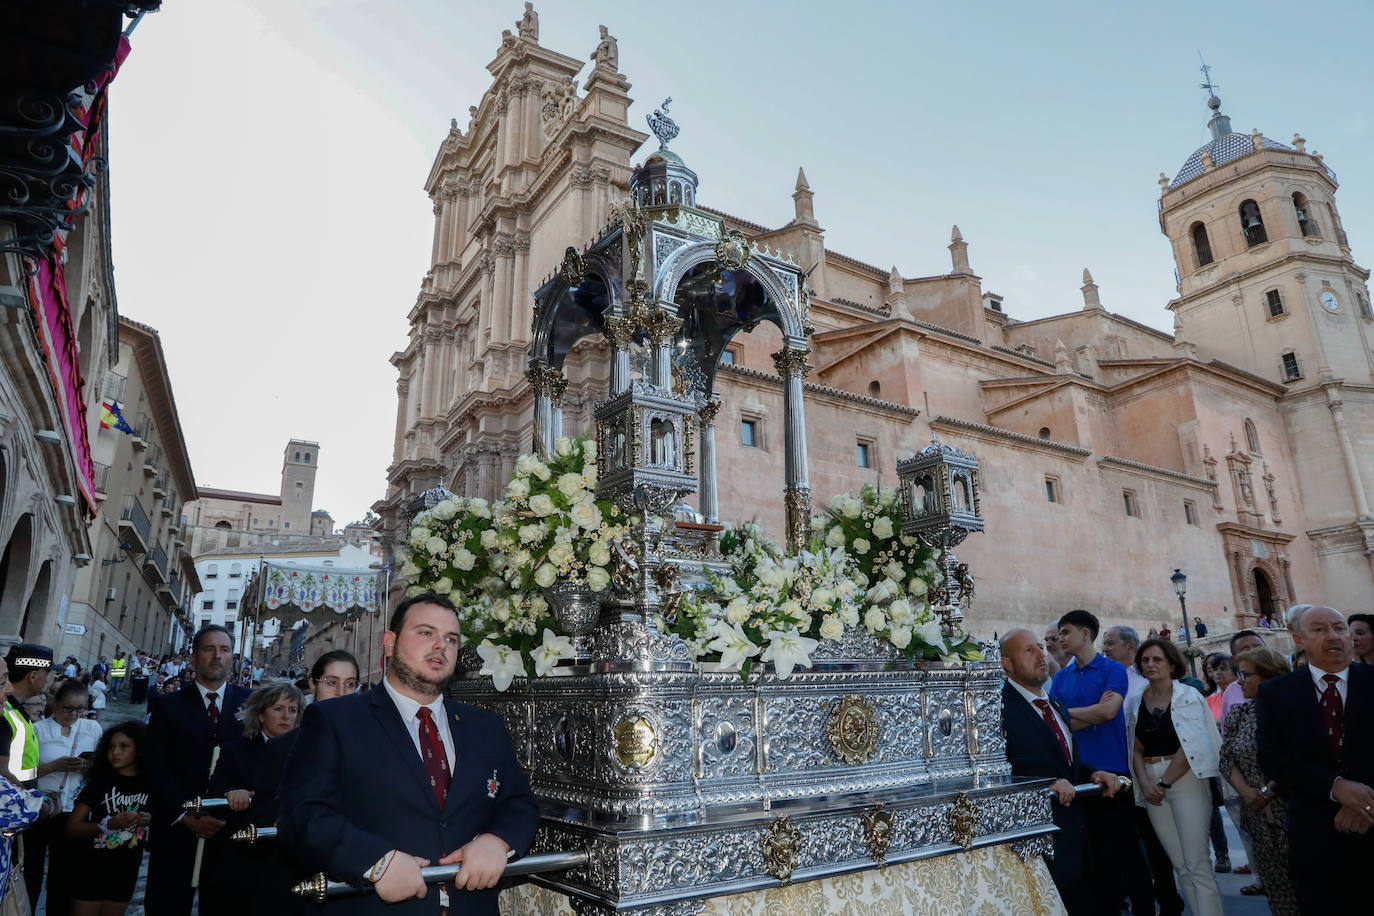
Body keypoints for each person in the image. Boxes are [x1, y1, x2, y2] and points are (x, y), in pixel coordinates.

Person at [280, 592, 540, 914]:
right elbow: (301, 815)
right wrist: (375, 862)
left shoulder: (485, 726)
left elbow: (518, 803)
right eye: (426, 633)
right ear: (389, 643)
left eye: (451, 639)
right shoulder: (335, 720)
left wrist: (497, 841)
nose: (441, 646)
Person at [1257, 606, 1374, 912]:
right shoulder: (1276, 693)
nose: (1333, 636)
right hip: (1315, 837)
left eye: (1339, 627)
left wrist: (1363, 801)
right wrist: (1335, 787)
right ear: (1299, 639)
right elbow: (1273, 758)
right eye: (1319, 629)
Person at [1050, 610, 1165, 916]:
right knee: (1093, 852)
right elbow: (1056, 721)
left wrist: (1068, 715)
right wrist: (1086, 714)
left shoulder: (1112, 669)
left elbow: (1108, 712)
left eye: (1066, 632)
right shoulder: (1060, 677)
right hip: (1078, 773)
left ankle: (1144, 909)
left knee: (1126, 849)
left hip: (1113, 773)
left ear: (1085, 634)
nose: (1061, 638)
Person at [999, 628, 1118, 914]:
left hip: (1077, 838)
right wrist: (1046, 783)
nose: (1041, 654)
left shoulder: (1055, 705)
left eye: (1040, 647)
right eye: (1028, 650)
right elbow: (1000, 770)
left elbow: (1064, 763)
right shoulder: (998, 710)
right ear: (1007, 663)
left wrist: (1092, 773)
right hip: (1038, 849)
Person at [144, 625, 252, 916]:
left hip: (230, 833)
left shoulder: (252, 703)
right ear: (194, 657)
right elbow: (155, 767)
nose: (217, 656)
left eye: (225, 650)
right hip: (177, 832)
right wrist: (186, 816)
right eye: (209, 649)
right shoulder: (167, 706)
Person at [1126, 638, 1224, 916]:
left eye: (1157, 659)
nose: (1150, 664)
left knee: (1197, 864)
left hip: (1185, 778)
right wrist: (1145, 783)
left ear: (1171, 665)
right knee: (1181, 866)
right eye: (1145, 660)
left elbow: (1191, 744)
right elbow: (1135, 747)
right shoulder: (1136, 701)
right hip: (1150, 780)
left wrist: (1163, 783)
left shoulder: (1188, 696)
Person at [204, 682, 303, 910]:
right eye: (278, 709)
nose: (286, 716)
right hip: (241, 859)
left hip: (288, 862)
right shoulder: (235, 750)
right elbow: (214, 793)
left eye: (293, 710)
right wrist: (231, 793)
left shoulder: (309, 754)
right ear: (260, 714)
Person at [1220, 647, 1298, 911]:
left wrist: (1267, 791)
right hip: (1256, 816)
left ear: (1270, 676)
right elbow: (1226, 758)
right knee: (1277, 891)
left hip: (1292, 810)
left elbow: (1298, 756)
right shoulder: (1239, 714)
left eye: (1246, 675)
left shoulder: (1295, 710)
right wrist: (1246, 792)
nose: (1239, 682)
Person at [28, 679, 101, 913]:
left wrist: (89, 767)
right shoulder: (37, 730)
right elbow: (21, 773)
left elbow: (101, 768)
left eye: (80, 709)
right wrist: (53, 766)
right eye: (68, 708)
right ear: (55, 704)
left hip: (74, 810)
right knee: (32, 870)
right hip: (42, 807)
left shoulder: (92, 729)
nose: (73, 714)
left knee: (63, 874)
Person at [66, 721, 153, 916]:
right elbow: (72, 828)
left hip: (127, 867)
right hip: (91, 865)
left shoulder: (150, 783)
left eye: (124, 746)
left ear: (140, 749)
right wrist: (108, 825)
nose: (115, 752)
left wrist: (149, 819)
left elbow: (167, 815)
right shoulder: (99, 783)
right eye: (111, 747)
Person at [1102, 625, 1147, 701]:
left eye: (1110, 643)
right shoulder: (1101, 673)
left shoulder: (1147, 674)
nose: (1105, 649)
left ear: (1131, 646)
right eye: (1104, 644)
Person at [1202, 653, 1236, 722]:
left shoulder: (1245, 695)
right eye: (1215, 669)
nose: (1218, 672)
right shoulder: (1209, 700)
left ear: (1234, 673)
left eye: (1223, 668)